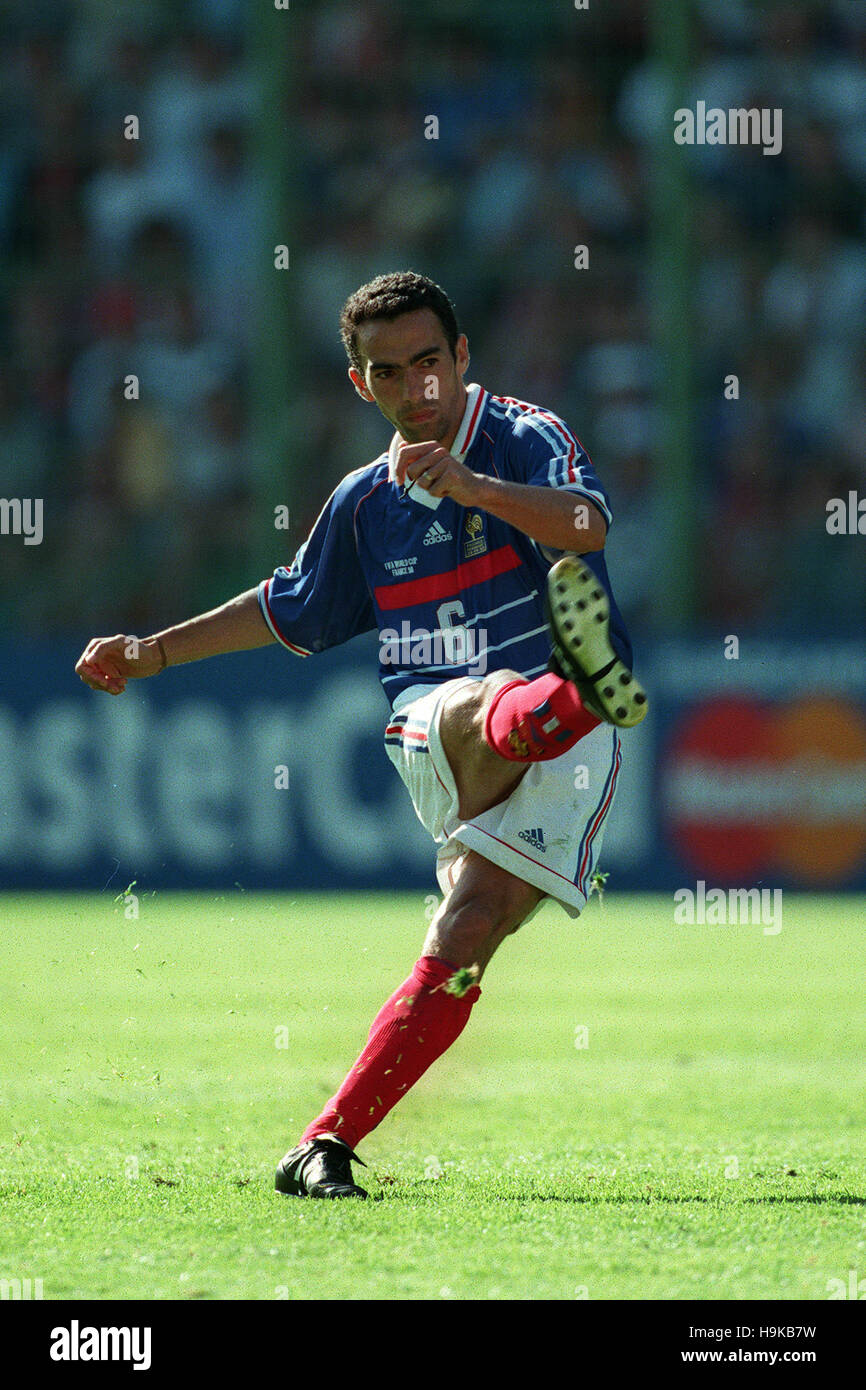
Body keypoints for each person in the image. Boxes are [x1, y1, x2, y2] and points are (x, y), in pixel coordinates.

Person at [76, 271, 647, 1200]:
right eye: (389, 371)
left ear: (464, 357)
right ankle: (571, 696)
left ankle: (322, 1146)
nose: (416, 388)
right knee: (481, 700)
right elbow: (286, 608)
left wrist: (476, 487)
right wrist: (150, 652)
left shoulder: (522, 436)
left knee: (462, 942)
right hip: (441, 724)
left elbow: (588, 525)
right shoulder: (363, 502)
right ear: (361, 385)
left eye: (430, 362)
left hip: (570, 757)